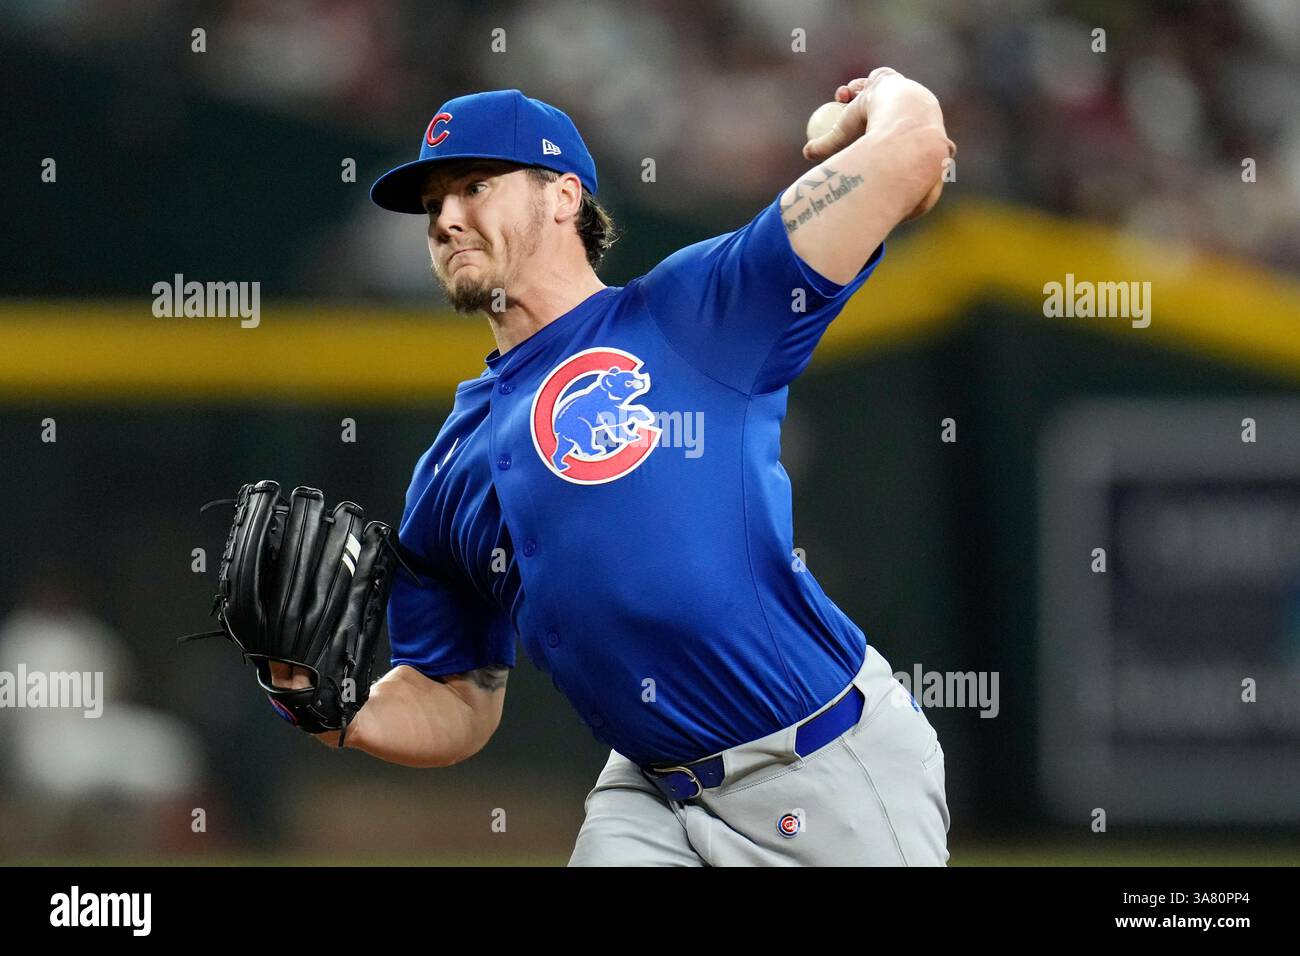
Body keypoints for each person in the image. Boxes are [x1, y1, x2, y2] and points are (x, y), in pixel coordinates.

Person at [277, 75, 954, 865]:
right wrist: (333, 709)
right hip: (651, 793)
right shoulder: (449, 469)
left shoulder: (696, 312)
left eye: (474, 186)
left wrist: (885, 91)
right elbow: (458, 696)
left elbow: (911, 154)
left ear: (563, 196)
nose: (447, 219)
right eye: (433, 205)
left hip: (822, 763)